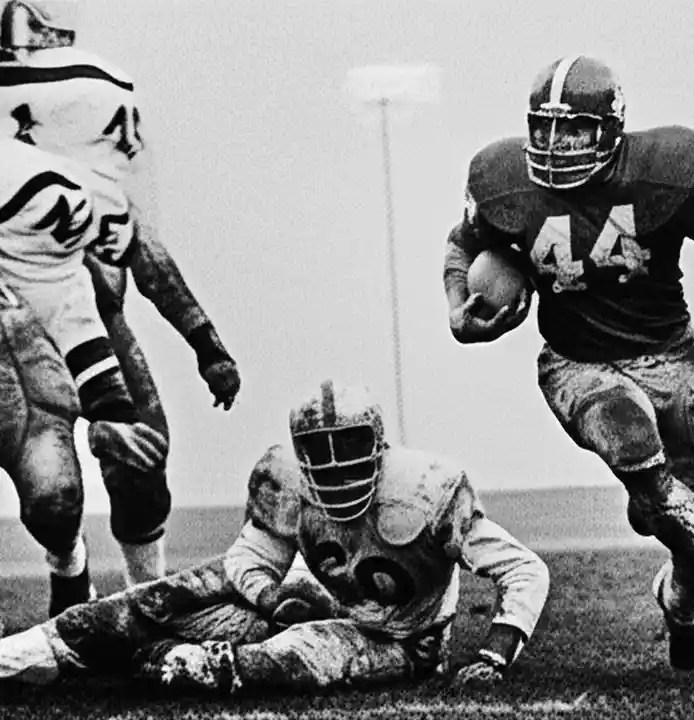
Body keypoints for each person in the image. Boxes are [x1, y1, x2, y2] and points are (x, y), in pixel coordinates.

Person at [442, 54, 694, 674]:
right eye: (543, 129)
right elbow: (463, 244)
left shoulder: (672, 168)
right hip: (578, 363)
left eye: (575, 130)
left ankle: (678, 601)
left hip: (675, 352)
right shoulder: (500, 179)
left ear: (610, 128)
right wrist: (458, 309)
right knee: (640, 454)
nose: (556, 146)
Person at [0, 379, 551, 693]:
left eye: (350, 446)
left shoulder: (427, 491)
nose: (334, 467)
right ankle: (29, 653)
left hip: (402, 636)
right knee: (169, 594)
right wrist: (270, 596)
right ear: (298, 452)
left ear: (380, 445)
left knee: (289, 656)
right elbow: (246, 560)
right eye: (319, 452)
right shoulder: (285, 478)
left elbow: (524, 569)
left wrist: (495, 654)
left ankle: (156, 662)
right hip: (315, 593)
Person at [0, 0, 242, 586]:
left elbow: (145, 255)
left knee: (141, 468)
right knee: (51, 499)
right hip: (22, 346)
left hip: (102, 324)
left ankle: (146, 597)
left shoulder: (98, 183)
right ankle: (69, 566)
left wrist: (206, 344)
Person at [0, 135, 168, 615]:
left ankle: (128, 592)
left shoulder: (45, 184)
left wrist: (111, 404)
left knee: (60, 501)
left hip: (47, 375)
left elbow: (72, 299)